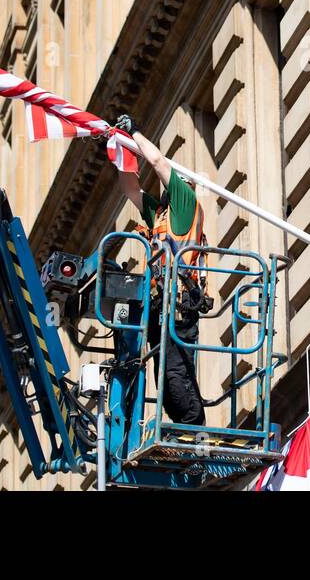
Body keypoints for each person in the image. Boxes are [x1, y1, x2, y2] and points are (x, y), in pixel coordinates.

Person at [116, 131, 212, 426]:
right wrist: (118, 148)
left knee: (174, 376)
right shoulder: (161, 214)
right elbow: (131, 189)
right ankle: (187, 426)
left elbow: (156, 160)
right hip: (161, 307)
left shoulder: (185, 203)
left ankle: (195, 428)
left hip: (179, 306)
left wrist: (133, 133)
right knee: (166, 384)